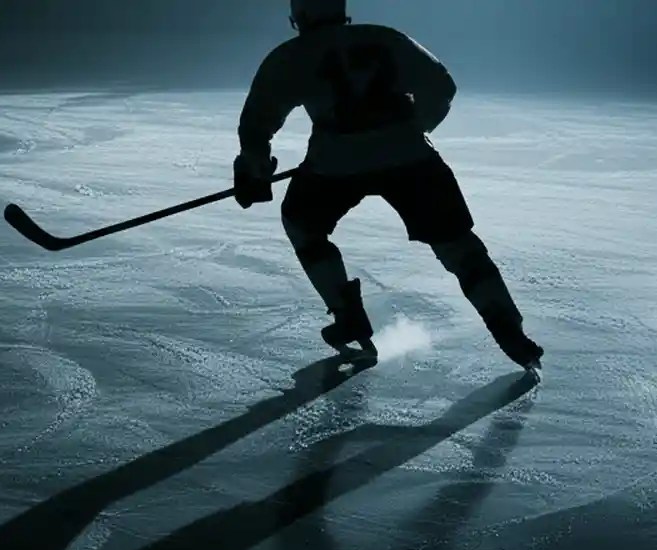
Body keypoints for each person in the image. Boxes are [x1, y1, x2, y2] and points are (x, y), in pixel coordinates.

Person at [233, 0, 544, 377]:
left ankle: (348, 317)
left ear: (297, 17)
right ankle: (509, 329)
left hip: (335, 164)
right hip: (411, 158)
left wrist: (256, 169)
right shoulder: (385, 38)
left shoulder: (290, 56)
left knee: (302, 224)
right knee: (457, 243)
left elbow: (256, 125)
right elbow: (442, 86)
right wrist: (414, 128)